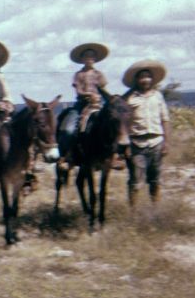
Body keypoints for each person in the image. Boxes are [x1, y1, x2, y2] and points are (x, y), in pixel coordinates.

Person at [57, 43, 124, 171]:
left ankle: (116, 155)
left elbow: (104, 89)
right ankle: (67, 156)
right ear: (82, 59)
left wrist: (111, 99)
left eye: (92, 56)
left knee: (113, 124)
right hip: (82, 105)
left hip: (98, 104)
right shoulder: (78, 74)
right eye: (86, 56)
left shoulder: (99, 74)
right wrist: (88, 94)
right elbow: (78, 91)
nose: (89, 58)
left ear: (95, 59)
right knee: (68, 129)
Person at [123, 60, 171, 205]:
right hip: (136, 144)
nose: (145, 80)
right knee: (135, 181)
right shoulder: (130, 98)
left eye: (148, 77)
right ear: (137, 80)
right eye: (142, 77)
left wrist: (167, 142)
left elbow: (165, 119)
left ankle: (154, 210)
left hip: (156, 142)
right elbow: (123, 124)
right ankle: (134, 213)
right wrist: (126, 146)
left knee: (155, 179)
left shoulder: (158, 96)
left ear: (152, 79)